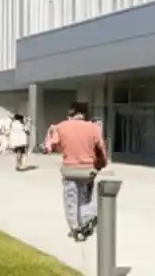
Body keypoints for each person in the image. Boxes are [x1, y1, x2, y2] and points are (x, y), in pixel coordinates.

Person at [44, 101, 108, 242]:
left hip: (69, 170)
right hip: (87, 170)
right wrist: (101, 164)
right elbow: (102, 150)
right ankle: (86, 221)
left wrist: (49, 135)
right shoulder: (94, 128)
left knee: (71, 200)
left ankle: (75, 227)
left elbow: (49, 146)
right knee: (85, 198)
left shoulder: (61, 127)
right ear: (84, 114)